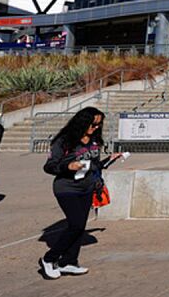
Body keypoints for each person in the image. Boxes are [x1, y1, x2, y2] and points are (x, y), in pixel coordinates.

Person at [40, 107, 120, 279]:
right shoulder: (64, 141)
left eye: (99, 124)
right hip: (67, 188)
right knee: (75, 224)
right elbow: (49, 166)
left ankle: (68, 262)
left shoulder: (95, 141)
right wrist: (67, 167)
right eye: (93, 124)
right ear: (82, 122)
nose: (96, 127)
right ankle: (49, 259)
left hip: (87, 188)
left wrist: (109, 160)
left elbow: (94, 166)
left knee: (79, 227)